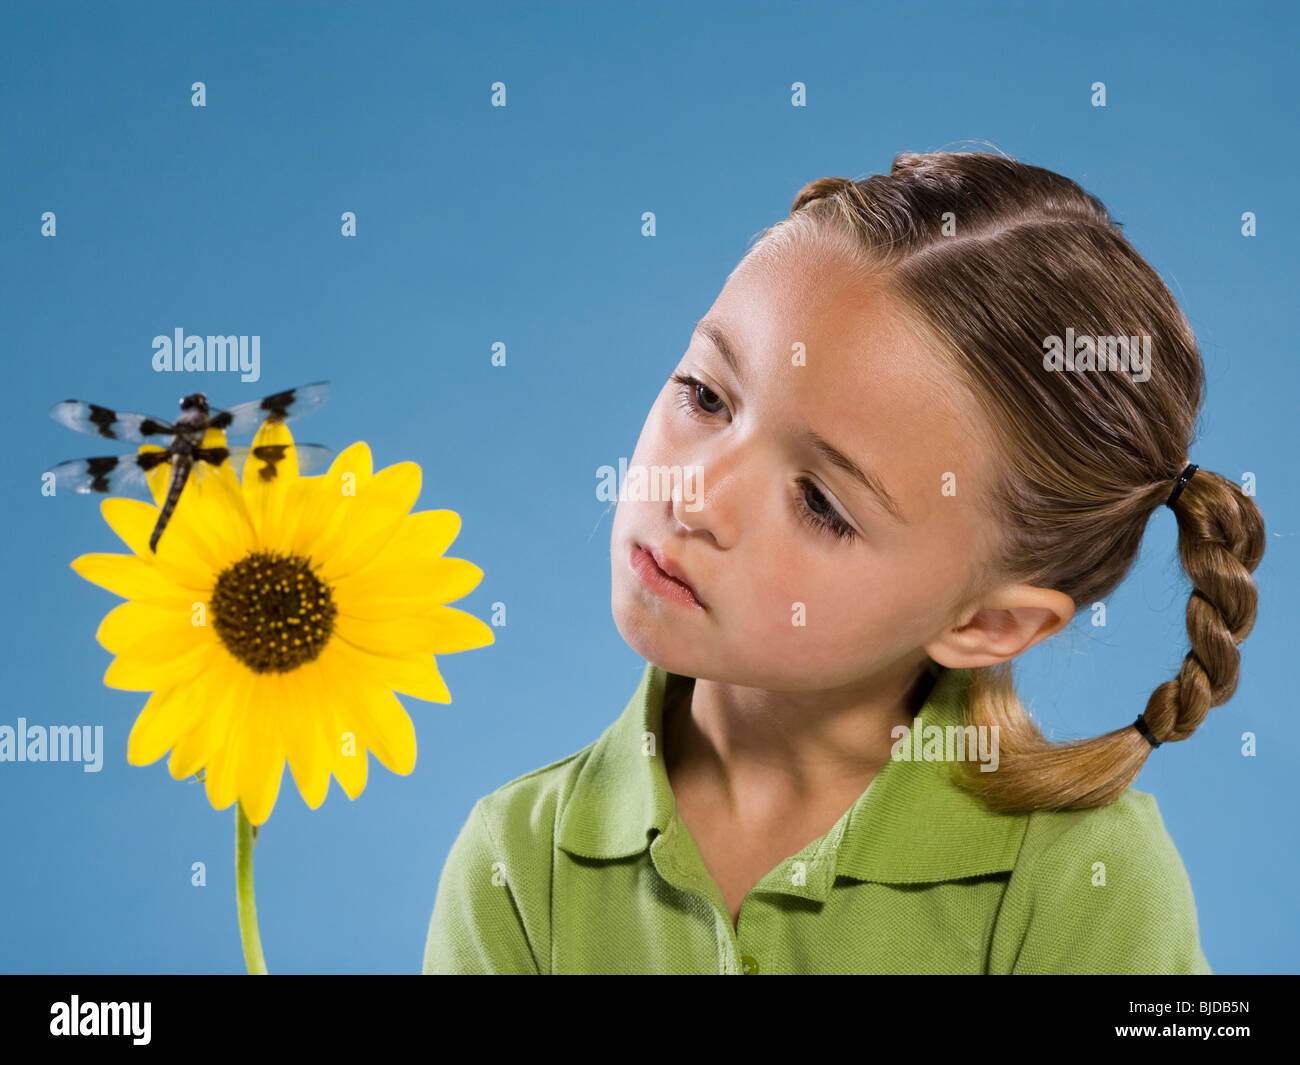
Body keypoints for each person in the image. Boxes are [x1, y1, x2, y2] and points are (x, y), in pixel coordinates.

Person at [422, 151, 1265, 974]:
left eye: (821, 503)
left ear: (988, 622)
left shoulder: (1089, 885)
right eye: (706, 395)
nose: (694, 496)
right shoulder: (517, 866)